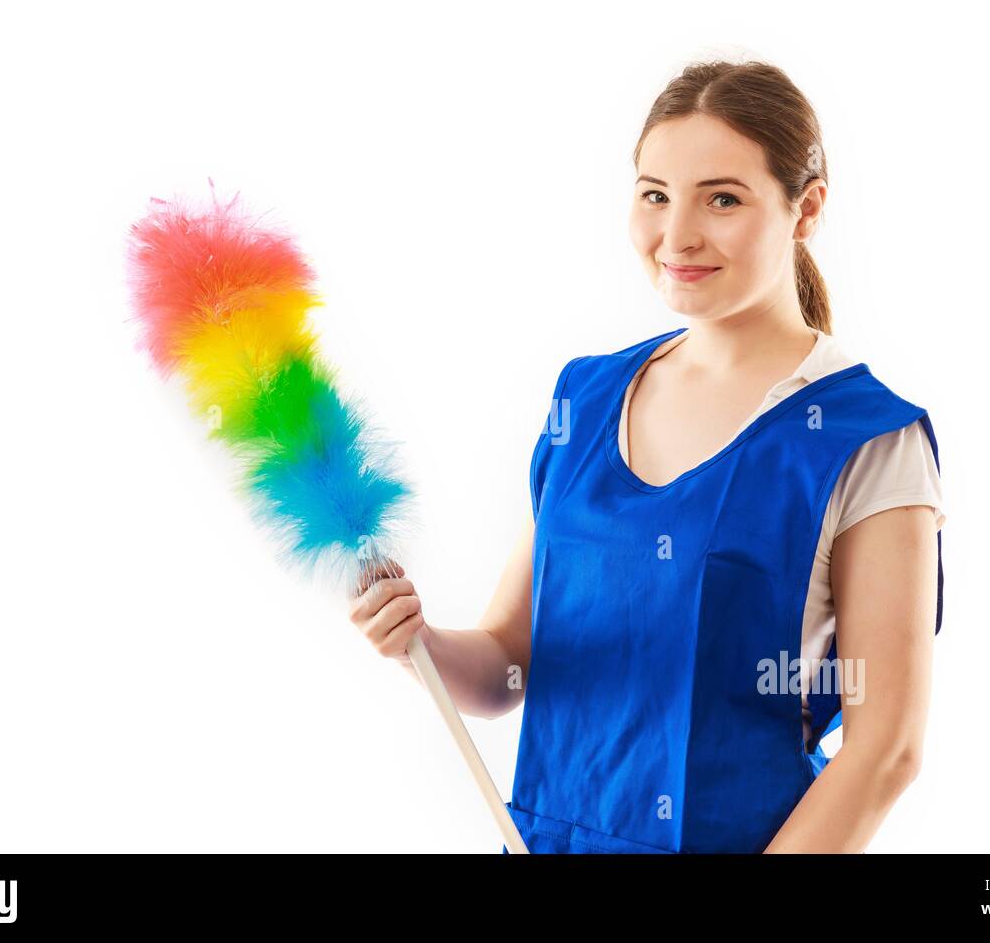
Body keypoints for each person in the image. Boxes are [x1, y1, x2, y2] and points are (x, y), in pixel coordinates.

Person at [348, 59, 945, 854]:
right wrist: (417, 641)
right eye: (654, 194)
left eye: (723, 199)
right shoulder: (585, 401)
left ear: (806, 210)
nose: (677, 236)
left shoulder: (866, 439)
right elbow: (508, 668)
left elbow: (885, 753)